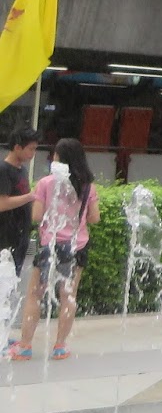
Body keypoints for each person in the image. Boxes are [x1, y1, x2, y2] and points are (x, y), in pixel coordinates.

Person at [9, 138, 98, 361]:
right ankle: (60, 346)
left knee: (35, 295)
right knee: (68, 295)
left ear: (60, 158)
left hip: (51, 245)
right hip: (77, 246)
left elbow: (36, 216)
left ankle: (25, 347)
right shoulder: (88, 186)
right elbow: (95, 218)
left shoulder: (46, 183)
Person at [0, 126, 39, 278]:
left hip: (20, 236)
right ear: (17, 147)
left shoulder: (21, 169)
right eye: (31, 149)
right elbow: (2, 204)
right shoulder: (3, 170)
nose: (33, 154)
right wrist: (30, 196)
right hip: (4, 237)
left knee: (12, 282)